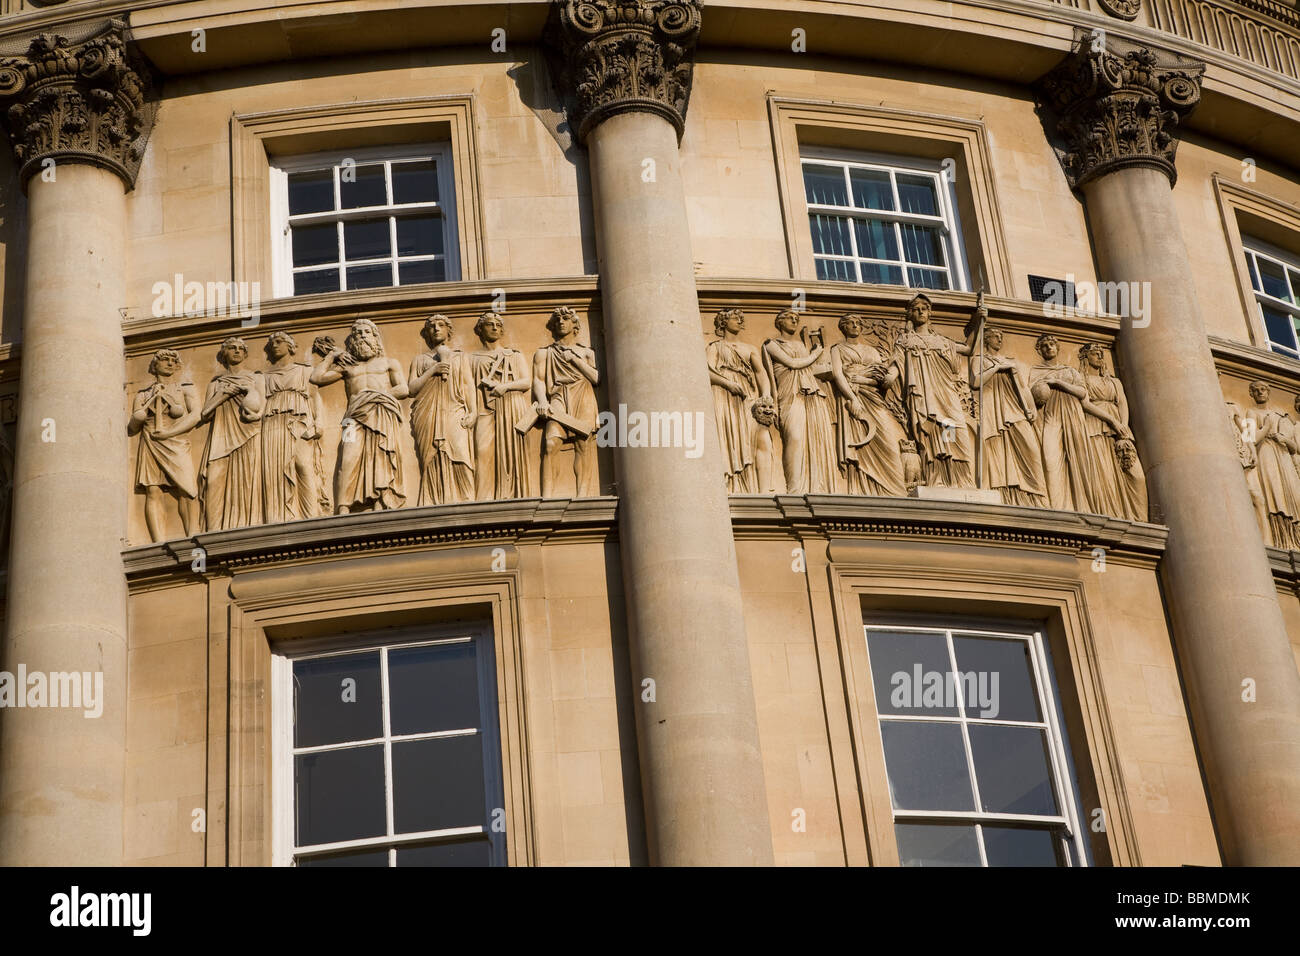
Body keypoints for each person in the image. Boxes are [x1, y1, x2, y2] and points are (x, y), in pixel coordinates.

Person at [311, 319, 408, 513]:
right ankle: (344, 505)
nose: (362, 336)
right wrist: (331, 357)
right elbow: (316, 378)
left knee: (381, 456)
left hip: (381, 413)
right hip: (352, 418)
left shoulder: (389, 363)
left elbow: (403, 388)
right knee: (348, 456)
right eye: (358, 333)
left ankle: (382, 500)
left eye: (366, 332)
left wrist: (378, 395)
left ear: (375, 338)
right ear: (353, 341)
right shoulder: (348, 366)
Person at [888, 292, 976, 488]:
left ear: (930, 313)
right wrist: (888, 378)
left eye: (924, 309)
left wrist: (978, 321)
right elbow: (897, 364)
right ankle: (937, 478)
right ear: (910, 314)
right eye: (916, 309)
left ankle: (959, 479)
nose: (920, 312)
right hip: (923, 396)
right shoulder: (905, 340)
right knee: (932, 434)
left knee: (953, 431)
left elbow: (969, 349)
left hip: (946, 393)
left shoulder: (943, 341)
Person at [828, 312, 907, 497]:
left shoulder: (872, 352)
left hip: (873, 396)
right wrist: (852, 398)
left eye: (858, 323)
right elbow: (838, 375)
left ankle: (894, 488)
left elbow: (880, 378)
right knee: (861, 439)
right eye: (850, 323)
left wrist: (863, 379)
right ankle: (866, 486)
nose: (855, 326)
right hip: (853, 396)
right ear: (843, 327)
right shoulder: (837, 349)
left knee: (888, 438)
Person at [968, 326, 1047, 506]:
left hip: (1015, 410)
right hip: (992, 409)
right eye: (995, 336)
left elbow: (1023, 387)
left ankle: (1037, 495)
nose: (1000, 340)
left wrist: (1030, 407)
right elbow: (975, 381)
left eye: (1001, 336)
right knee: (996, 449)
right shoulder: (979, 359)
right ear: (986, 339)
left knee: (1030, 448)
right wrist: (996, 368)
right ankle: (1004, 494)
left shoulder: (1011, 361)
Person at [128, 348, 200, 541]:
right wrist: (139, 415)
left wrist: (170, 432)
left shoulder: (185, 388)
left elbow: (195, 415)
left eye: (172, 361)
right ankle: (158, 541)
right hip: (151, 440)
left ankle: (192, 534)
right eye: (164, 360)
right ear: (155, 366)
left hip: (176, 440)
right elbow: (133, 426)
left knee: (186, 488)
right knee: (153, 490)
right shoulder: (143, 395)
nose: (169, 363)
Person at [764, 309, 838, 494]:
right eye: (790, 318)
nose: (794, 321)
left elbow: (809, 367)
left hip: (810, 392)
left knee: (813, 438)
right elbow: (793, 364)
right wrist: (815, 354)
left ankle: (816, 486)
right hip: (789, 394)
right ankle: (794, 487)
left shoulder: (801, 345)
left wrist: (814, 354)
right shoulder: (771, 344)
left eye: (797, 318)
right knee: (795, 437)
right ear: (780, 322)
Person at [408, 314, 476, 506]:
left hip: (455, 408)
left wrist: (473, 411)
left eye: (441, 325)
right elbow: (412, 389)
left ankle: (466, 498)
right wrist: (434, 369)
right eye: (432, 326)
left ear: (448, 331)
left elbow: (468, 384)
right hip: (427, 413)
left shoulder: (460, 357)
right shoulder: (420, 360)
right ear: (427, 333)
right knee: (431, 455)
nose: (436, 329)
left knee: (460, 451)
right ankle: (433, 499)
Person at [534, 306, 599, 497]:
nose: (561, 322)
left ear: (575, 324)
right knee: (551, 443)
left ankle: (583, 494)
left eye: (565, 318)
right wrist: (541, 401)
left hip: (583, 393)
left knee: (583, 444)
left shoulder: (586, 352)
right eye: (558, 320)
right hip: (558, 395)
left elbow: (596, 378)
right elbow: (537, 380)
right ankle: (548, 494)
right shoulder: (544, 353)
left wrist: (575, 360)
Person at [198, 337, 263, 530]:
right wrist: (224, 394)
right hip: (221, 434)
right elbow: (205, 413)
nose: (236, 351)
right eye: (231, 348)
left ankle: (249, 525)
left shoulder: (255, 378)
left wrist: (249, 391)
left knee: (248, 479)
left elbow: (261, 410)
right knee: (214, 479)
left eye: (240, 349)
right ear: (224, 353)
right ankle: (213, 529)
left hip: (249, 433)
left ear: (245, 354)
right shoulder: (216, 383)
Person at [706, 308, 774, 493]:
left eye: (741, 318)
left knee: (761, 438)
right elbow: (709, 372)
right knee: (730, 437)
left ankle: (762, 489)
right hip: (725, 396)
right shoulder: (715, 347)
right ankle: (733, 483)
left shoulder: (750, 349)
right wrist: (728, 383)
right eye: (735, 318)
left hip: (749, 397)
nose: (740, 321)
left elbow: (761, 373)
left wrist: (765, 395)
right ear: (723, 322)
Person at [470, 311, 534, 500]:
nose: (495, 328)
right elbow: (468, 388)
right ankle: (483, 500)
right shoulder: (471, 358)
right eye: (490, 324)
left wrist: (504, 387)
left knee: (511, 454)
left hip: (511, 406)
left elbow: (526, 382)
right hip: (483, 410)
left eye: (498, 325)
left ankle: (513, 495)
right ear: (481, 329)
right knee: (481, 453)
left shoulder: (513, 355)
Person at [261, 331, 324, 523]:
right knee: (275, 469)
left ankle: (311, 514)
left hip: (300, 419)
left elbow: (314, 396)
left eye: (279, 342)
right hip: (272, 423)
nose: (275, 345)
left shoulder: (303, 371)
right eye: (272, 343)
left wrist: (319, 421)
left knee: (302, 464)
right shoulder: (264, 377)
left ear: (290, 346)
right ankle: (279, 517)